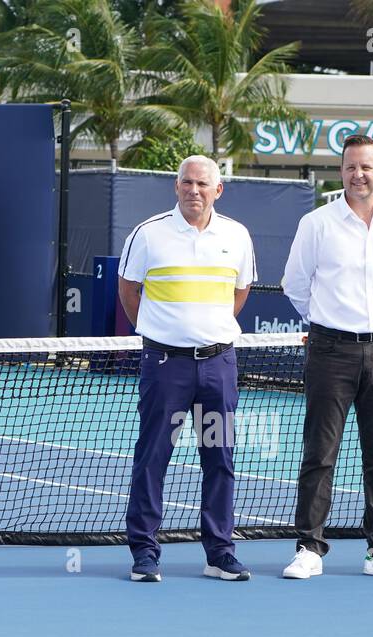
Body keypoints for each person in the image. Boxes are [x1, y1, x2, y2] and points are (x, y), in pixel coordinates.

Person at [280, 134, 373, 580]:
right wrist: (329, 322)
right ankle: (309, 547)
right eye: (350, 167)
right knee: (320, 453)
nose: (358, 174)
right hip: (330, 351)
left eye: (366, 167)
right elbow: (295, 284)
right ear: (341, 172)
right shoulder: (317, 224)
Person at [118, 155, 256, 582]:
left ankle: (219, 553)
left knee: (219, 458)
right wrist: (165, 333)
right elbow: (129, 290)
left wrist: (209, 333)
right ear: (176, 187)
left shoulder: (237, 235)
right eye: (186, 183)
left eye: (202, 184)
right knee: (154, 456)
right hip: (165, 367)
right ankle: (145, 552)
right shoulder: (148, 234)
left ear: (218, 190)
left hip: (219, 367)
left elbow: (240, 290)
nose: (193, 191)